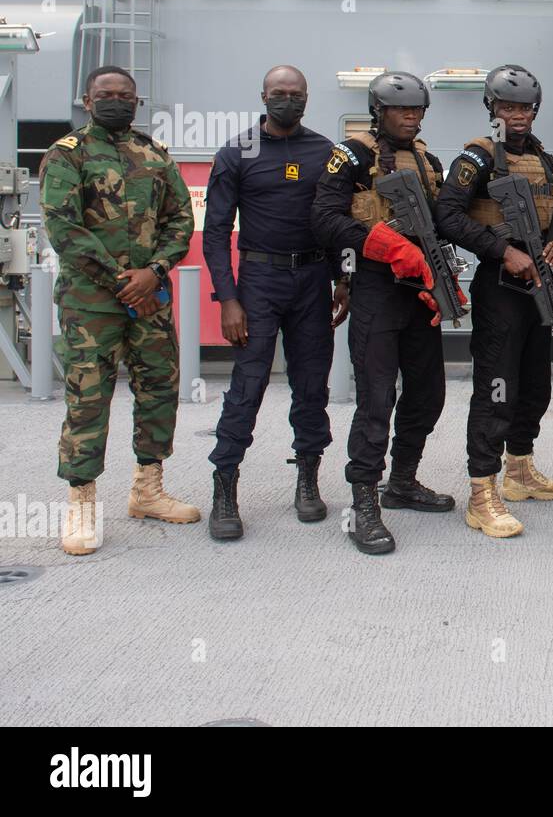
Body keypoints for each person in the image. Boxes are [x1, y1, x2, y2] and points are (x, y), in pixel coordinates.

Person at [40, 66, 197, 555]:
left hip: (149, 297)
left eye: (125, 95)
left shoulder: (153, 154)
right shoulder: (68, 155)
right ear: (86, 101)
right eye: (106, 95)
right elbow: (63, 229)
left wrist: (153, 271)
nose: (117, 101)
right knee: (88, 398)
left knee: (159, 388)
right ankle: (81, 501)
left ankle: (147, 490)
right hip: (91, 304)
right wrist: (123, 283)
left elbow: (180, 219)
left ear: (137, 101)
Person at [203, 65, 350, 540]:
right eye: (279, 93)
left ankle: (308, 480)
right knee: (247, 386)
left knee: (311, 387)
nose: (288, 100)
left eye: (296, 94)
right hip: (259, 281)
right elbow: (216, 233)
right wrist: (228, 298)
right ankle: (225, 488)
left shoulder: (325, 152)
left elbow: (338, 221)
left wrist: (343, 279)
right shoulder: (236, 152)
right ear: (263, 96)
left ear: (307, 98)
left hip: (312, 280)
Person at [312, 71, 454, 555]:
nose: (410, 117)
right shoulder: (350, 156)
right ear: (379, 111)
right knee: (375, 402)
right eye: (401, 110)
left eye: (417, 110)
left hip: (419, 291)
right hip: (376, 289)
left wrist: (442, 279)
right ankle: (363, 504)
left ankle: (403, 482)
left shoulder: (428, 161)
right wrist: (378, 242)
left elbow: (440, 226)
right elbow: (325, 218)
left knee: (428, 394)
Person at [435, 65, 553, 538]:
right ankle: (482, 492)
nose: (517, 116)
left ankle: (519, 472)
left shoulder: (544, 158)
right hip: (499, 287)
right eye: (507, 107)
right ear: (492, 108)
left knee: (536, 387)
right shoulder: (476, 159)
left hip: (540, 286)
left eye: (524, 108)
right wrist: (502, 250)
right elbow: (447, 216)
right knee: (497, 389)